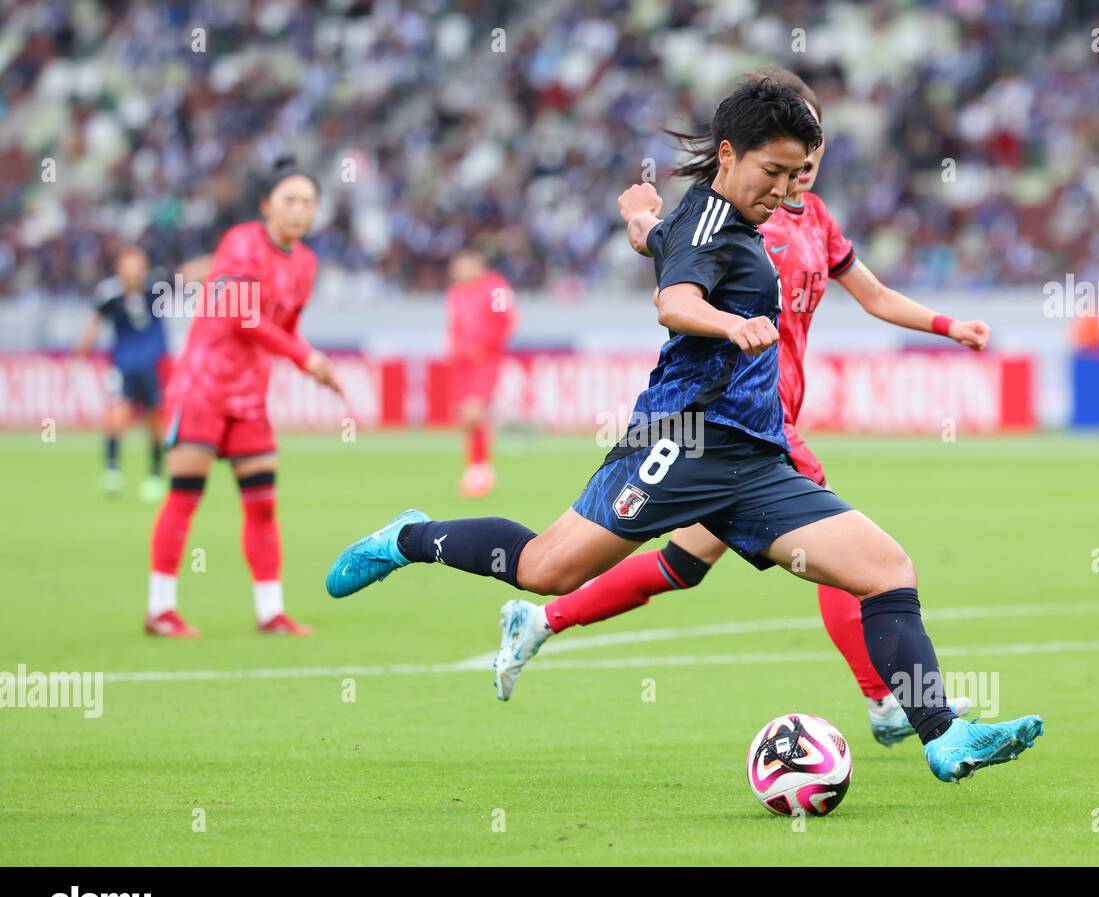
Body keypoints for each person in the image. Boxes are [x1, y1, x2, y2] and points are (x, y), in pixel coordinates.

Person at [326, 77, 1043, 784]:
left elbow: (674, 250)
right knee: (546, 569)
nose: (788, 188)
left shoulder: (739, 219)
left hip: (757, 458)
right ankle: (409, 538)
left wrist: (644, 230)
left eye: (799, 173)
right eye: (775, 171)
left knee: (886, 570)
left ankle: (943, 735)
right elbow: (676, 301)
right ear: (729, 155)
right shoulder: (710, 218)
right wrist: (731, 321)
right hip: (683, 441)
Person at [492, 68, 990, 749]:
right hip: (735, 423)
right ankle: (886, 702)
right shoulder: (733, 215)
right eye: (787, 158)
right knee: (852, 559)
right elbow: (675, 260)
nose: (801, 170)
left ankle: (543, 620)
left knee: (683, 566)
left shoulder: (813, 221)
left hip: (756, 427)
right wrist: (645, 227)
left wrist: (945, 324)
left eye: (810, 157)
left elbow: (872, 295)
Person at [145, 157, 344, 638]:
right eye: (290, 200)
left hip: (250, 397)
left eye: (308, 203)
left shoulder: (306, 263)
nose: (299, 211)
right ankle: (160, 608)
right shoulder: (240, 244)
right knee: (185, 495)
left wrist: (305, 363)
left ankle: (270, 612)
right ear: (266, 206)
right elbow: (242, 317)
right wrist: (304, 356)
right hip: (204, 386)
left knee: (262, 504)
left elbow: (285, 327)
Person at [76, 245, 169, 502]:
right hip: (122, 365)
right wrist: (77, 359)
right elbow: (94, 325)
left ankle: (154, 475)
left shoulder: (157, 285)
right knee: (117, 415)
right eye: (128, 265)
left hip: (153, 365)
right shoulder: (109, 293)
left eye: (138, 264)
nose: (133, 271)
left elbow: (188, 277)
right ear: (119, 267)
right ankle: (112, 471)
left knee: (155, 423)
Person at [446, 249, 518, 496]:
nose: (455, 271)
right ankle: (475, 468)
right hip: (461, 362)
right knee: (465, 418)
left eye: (460, 265)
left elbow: (508, 322)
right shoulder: (456, 291)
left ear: (476, 262)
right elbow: (455, 326)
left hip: (486, 361)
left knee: (476, 412)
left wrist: (484, 346)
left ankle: (481, 471)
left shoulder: (496, 288)